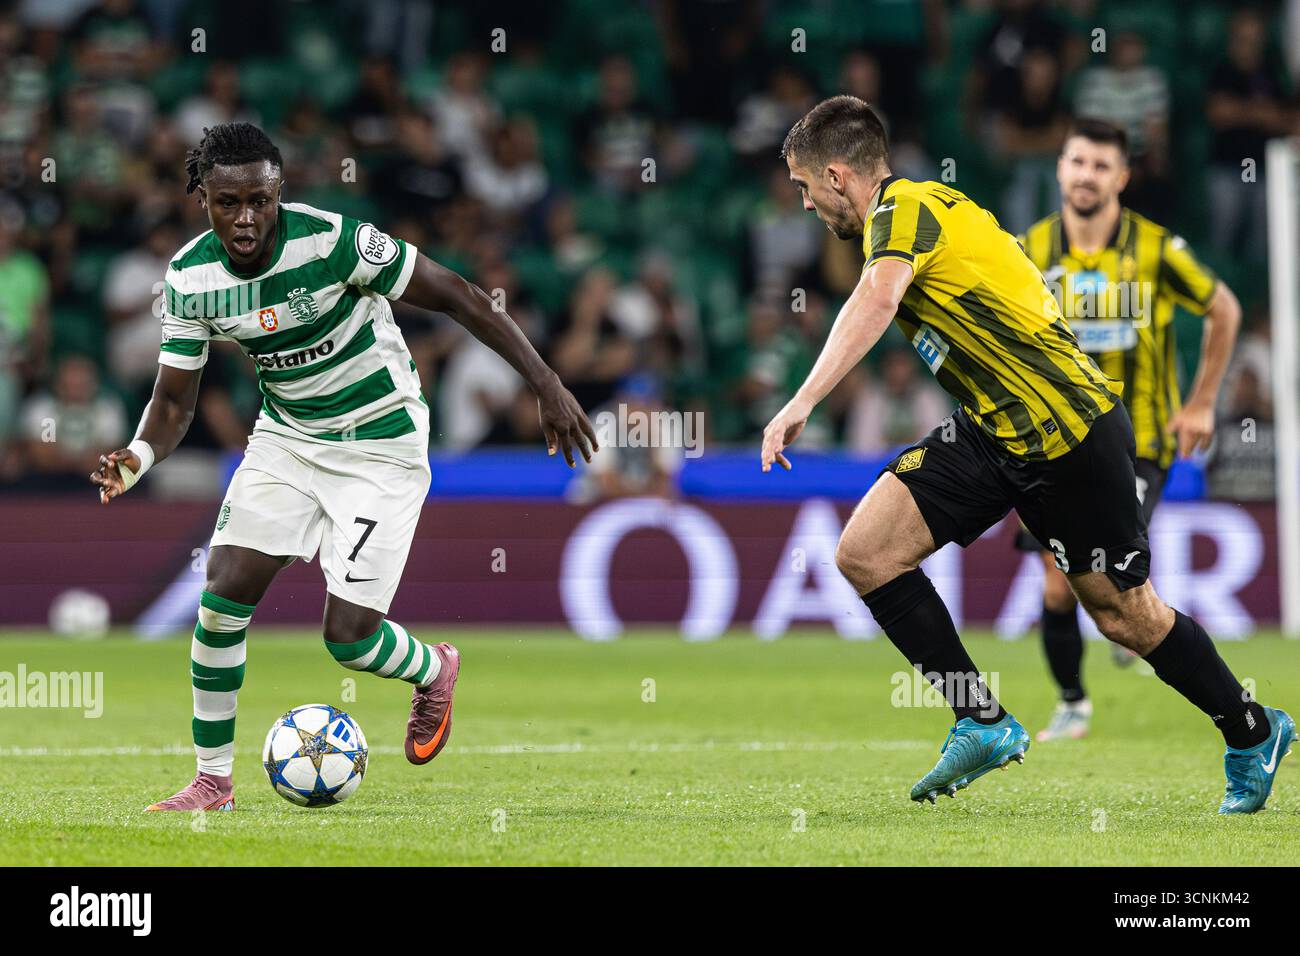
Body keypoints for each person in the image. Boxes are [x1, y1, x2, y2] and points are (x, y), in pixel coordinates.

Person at [763, 96, 1291, 813]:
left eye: (801, 187)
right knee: (866, 552)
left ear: (834, 174)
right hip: (996, 428)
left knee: (1123, 616)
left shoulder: (904, 210)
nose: (802, 204)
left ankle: (1252, 730)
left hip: (1071, 431)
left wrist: (801, 401)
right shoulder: (932, 211)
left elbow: (877, 300)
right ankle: (978, 716)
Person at [90, 123, 598, 812]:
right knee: (222, 595)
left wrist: (546, 383)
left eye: (260, 201)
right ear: (202, 198)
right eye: (228, 202)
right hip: (288, 438)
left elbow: (460, 295)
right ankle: (213, 781)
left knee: (349, 639)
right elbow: (175, 401)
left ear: (280, 195)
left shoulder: (336, 242)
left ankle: (434, 667)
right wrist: (138, 456)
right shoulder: (189, 279)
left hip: (380, 444)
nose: (246, 218)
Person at [1017, 118, 1241, 742]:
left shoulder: (1157, 249)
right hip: (1052, 442)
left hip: (1138, 439)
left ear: (1122, 176)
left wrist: (1201, 403)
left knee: (1105, 578)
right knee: (1057, 583)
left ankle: (1132, 610)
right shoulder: (1028, 251)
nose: (1087, 175)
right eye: (1077, 161)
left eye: (1100, 165)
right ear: (1060, 168)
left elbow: (1224, 307)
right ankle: (1072, 701)